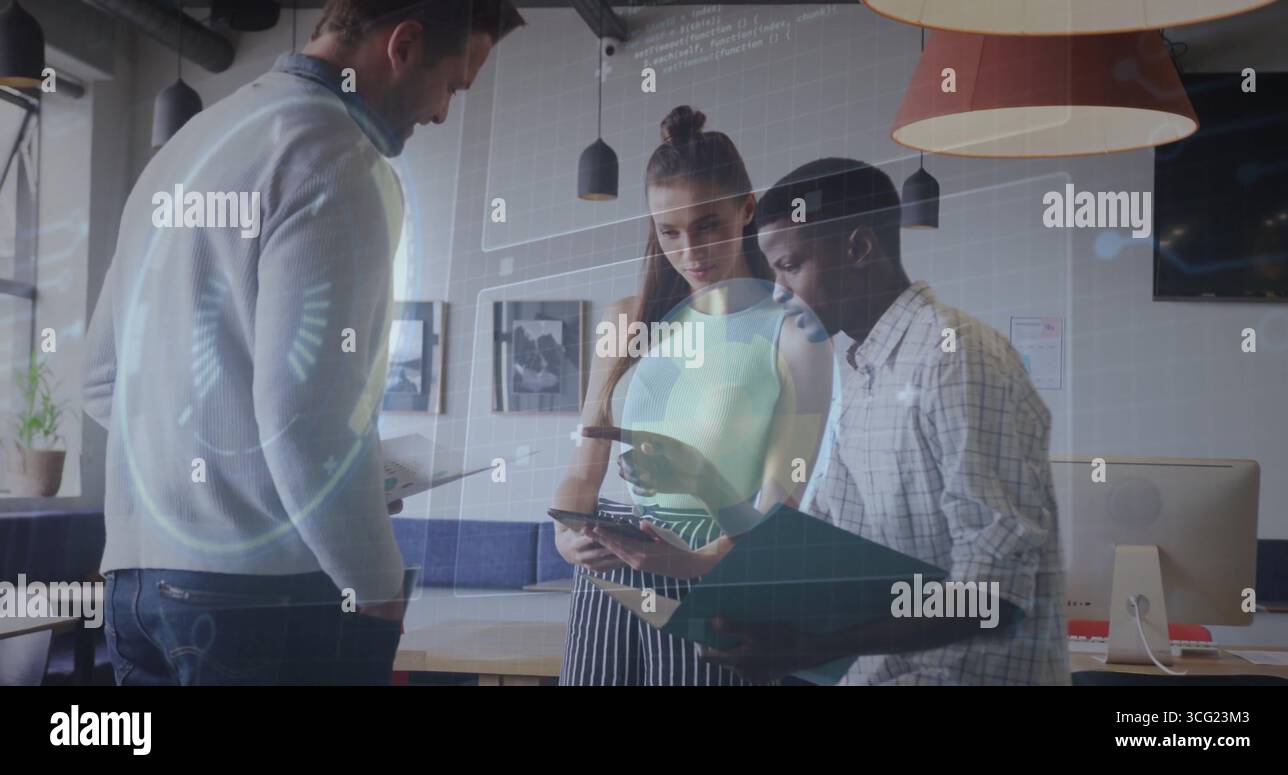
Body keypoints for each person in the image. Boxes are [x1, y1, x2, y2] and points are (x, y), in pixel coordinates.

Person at [82, 0, 524, 685]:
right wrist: (378, 589)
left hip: (133, 591)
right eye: (453, 85)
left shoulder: (181, 151)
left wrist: (238, 470)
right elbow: (304, 423)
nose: (442, 114)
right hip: (261, 602)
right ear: (403, 45)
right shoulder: (339, 157)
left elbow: (103, 381)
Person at [590, 158, 1069, 685]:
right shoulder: (861, 371)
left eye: (790, 266)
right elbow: (809, 550)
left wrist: (817, 647)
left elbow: (993, 593)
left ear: (859, 248)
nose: (778, 291)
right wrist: (682, 533)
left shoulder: (955, 356)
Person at [552, 107, 832, 685]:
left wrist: (694, 563)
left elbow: (780, 505)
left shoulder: (795, 331)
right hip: (609, 565)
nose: (691, 252)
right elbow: (583, 468)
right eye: (670, 231)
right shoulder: (624, 320)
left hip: (717, 571)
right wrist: (565, 534)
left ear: (747, 209)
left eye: (708, 225)